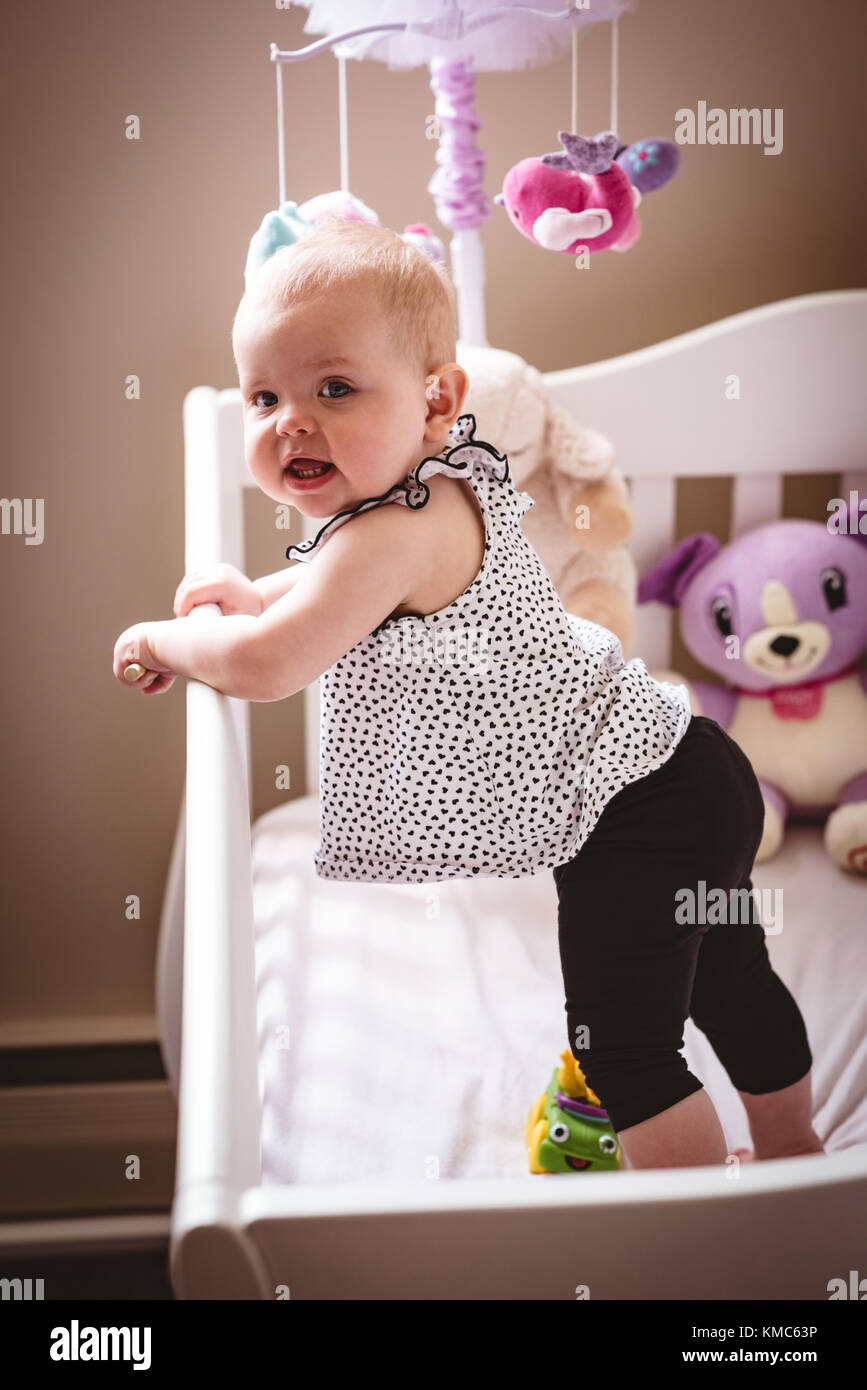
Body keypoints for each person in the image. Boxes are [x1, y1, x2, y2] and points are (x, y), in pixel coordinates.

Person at [112, 218, 822, 1170]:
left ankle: (692, 1236)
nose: (292, 421)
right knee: (729, 977)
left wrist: (169, 638)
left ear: (437, 400)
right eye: (264, 395)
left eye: (335, 388)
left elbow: (268, 664)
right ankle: (792, 1155)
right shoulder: (433, 494)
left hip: (635, 812)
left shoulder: (393, 530)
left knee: (625, 1051)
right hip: (689, 771)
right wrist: (252, 594)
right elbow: (332, 584)